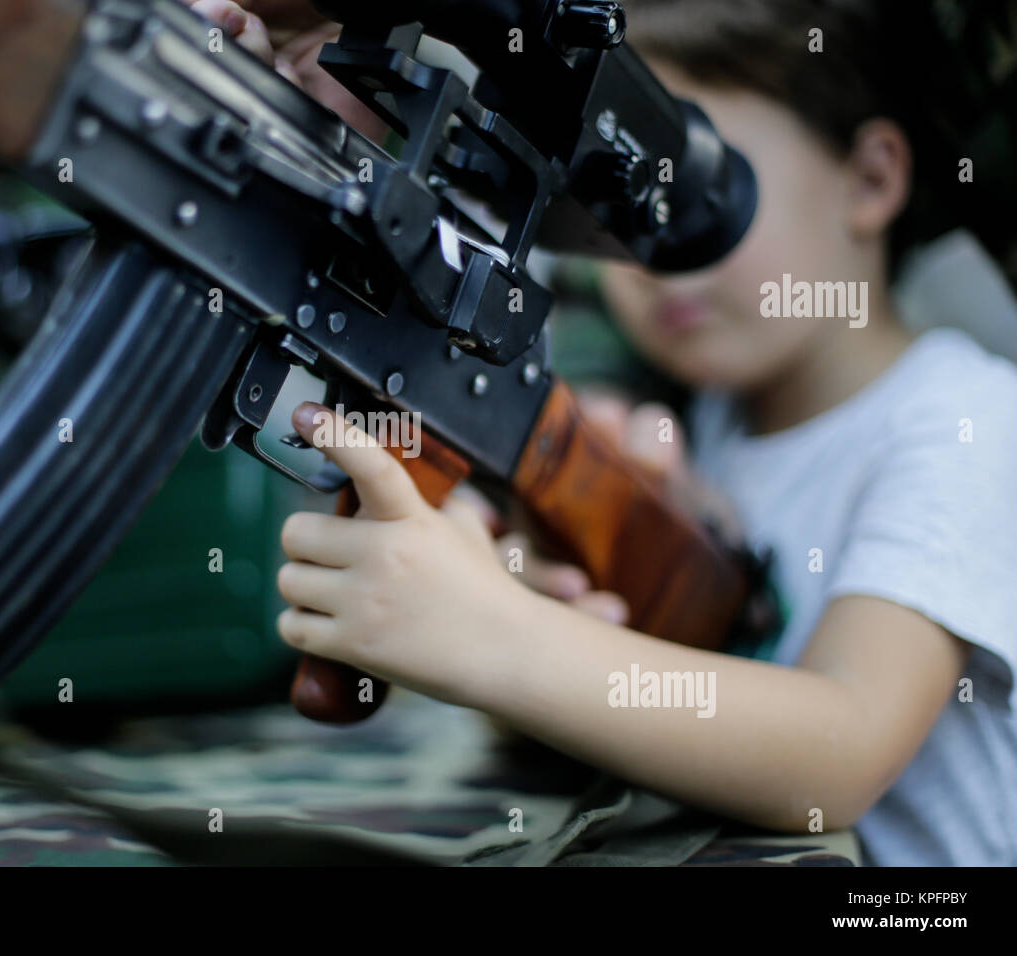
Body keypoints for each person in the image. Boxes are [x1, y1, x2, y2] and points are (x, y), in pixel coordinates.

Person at [195, 0, 1017, 865]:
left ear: (871, 179)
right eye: (615, 218)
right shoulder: (712, 418)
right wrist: (540, 599)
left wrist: (493, 632)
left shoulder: (967, 419)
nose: (653, 263)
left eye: (689, 203)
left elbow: (841, 750)